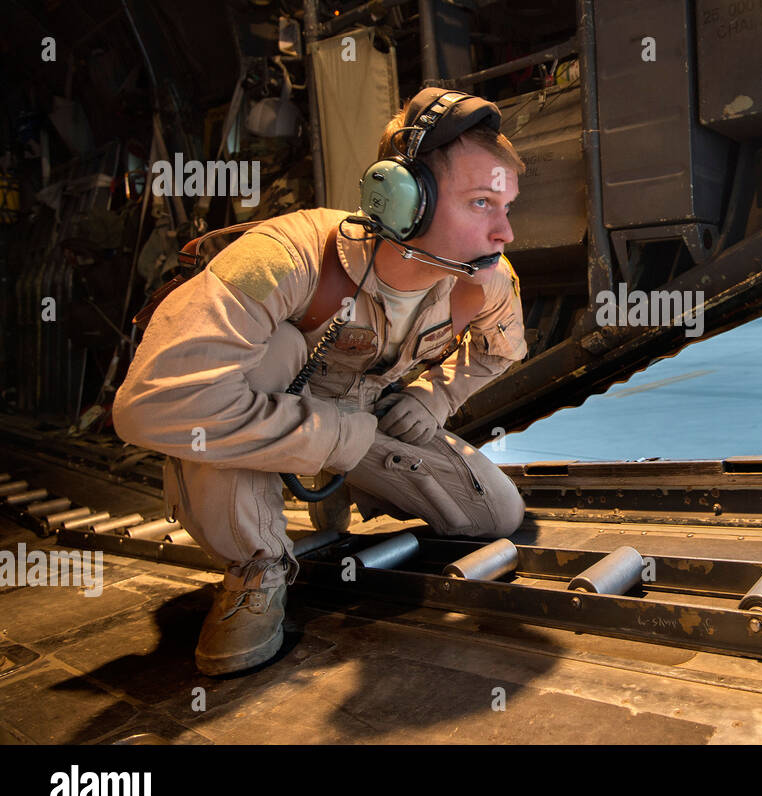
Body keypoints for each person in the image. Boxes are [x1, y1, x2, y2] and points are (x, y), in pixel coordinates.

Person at [112, 87, 529, 676]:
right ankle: (254, 566)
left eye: (507, 205)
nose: (504, 232)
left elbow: (501, 350)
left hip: (367, 415)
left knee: (495, 515)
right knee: (261, 357)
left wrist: (436, 395)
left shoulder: (481, 278)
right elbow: (152, 406)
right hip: (283, 401)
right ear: (404, 200)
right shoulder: (285, 257)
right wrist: (334, 437)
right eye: (482, 203)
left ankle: (335, 484)